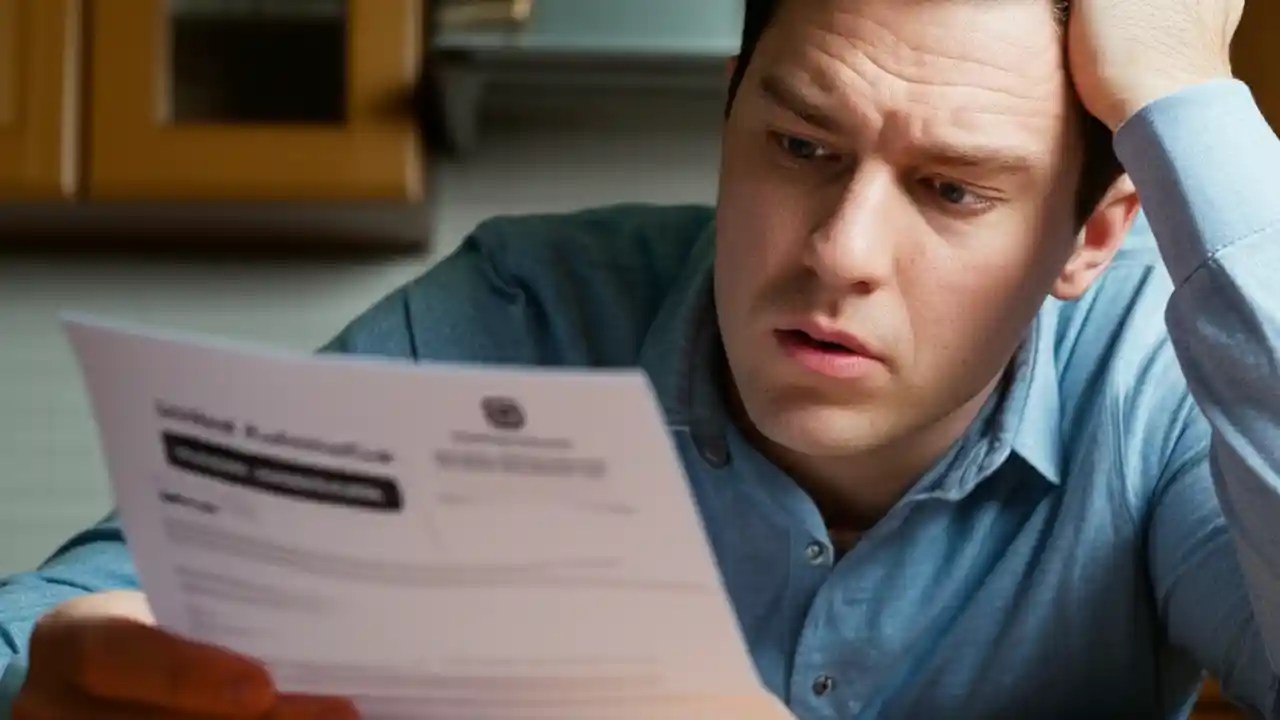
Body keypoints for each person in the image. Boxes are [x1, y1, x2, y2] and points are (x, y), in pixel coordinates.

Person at [3, 0, 1277, 716]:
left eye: (950, 190)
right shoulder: (519, 317)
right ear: (727, 111)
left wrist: (1183, 95)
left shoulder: (1164, 384)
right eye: (799, 147)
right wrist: (65, 668)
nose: (839, 252)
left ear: (1091, 236)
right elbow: (47, 621)